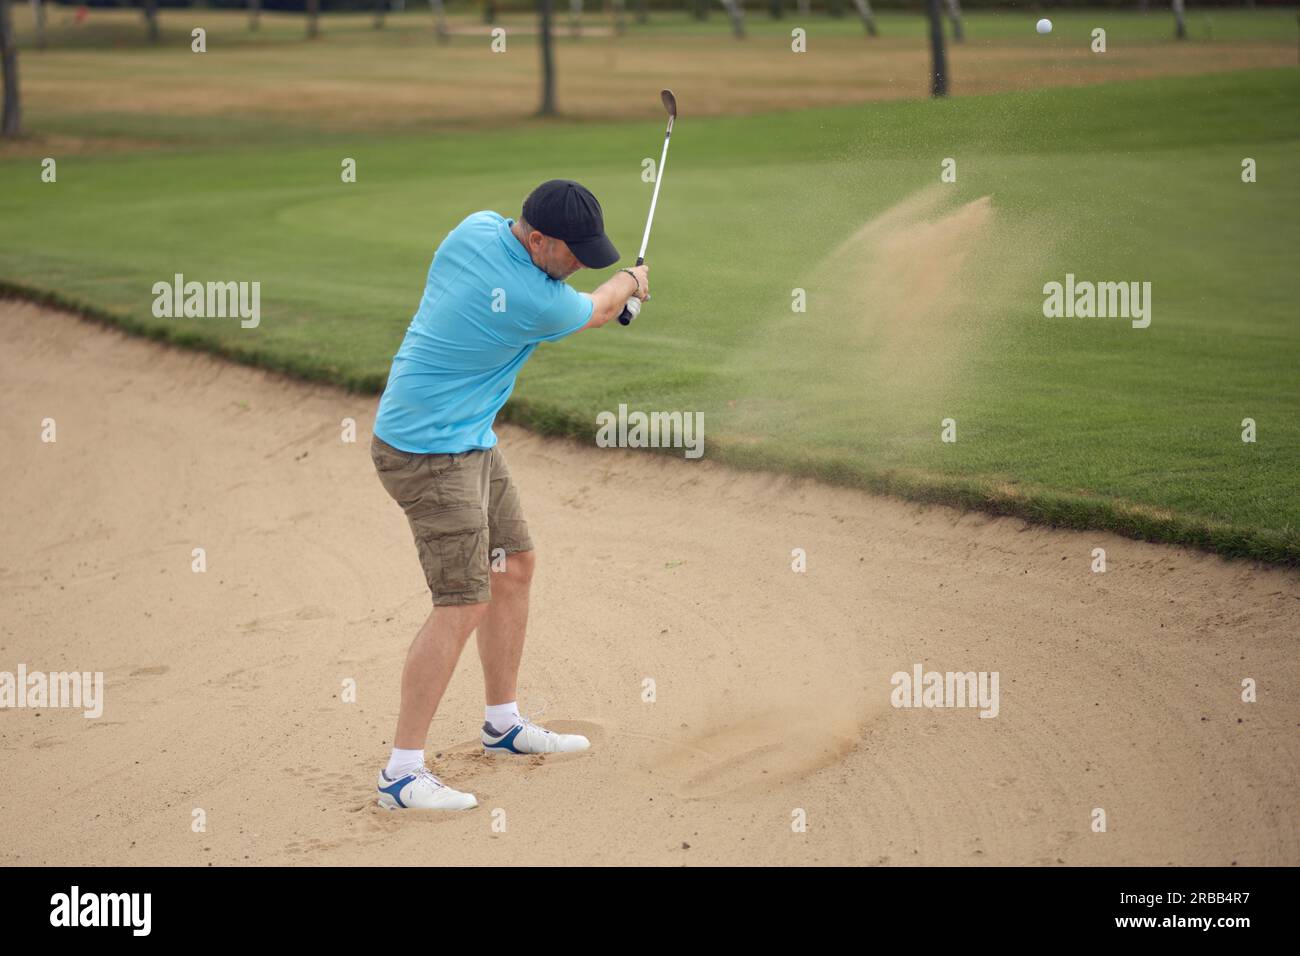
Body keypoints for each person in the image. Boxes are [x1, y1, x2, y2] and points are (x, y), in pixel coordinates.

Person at [371, 179, 649, 810]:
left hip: (466, 438)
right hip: (426, 453)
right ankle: (401, 774)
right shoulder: (533, 300)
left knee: (514, 566)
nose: (580, 261)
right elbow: (598, 308)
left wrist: (615, 284)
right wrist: (631, 282)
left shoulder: (475, 227)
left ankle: (503, 725)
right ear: (538, 237)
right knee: (462, 601)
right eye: (572, 251)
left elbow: (579, 292)